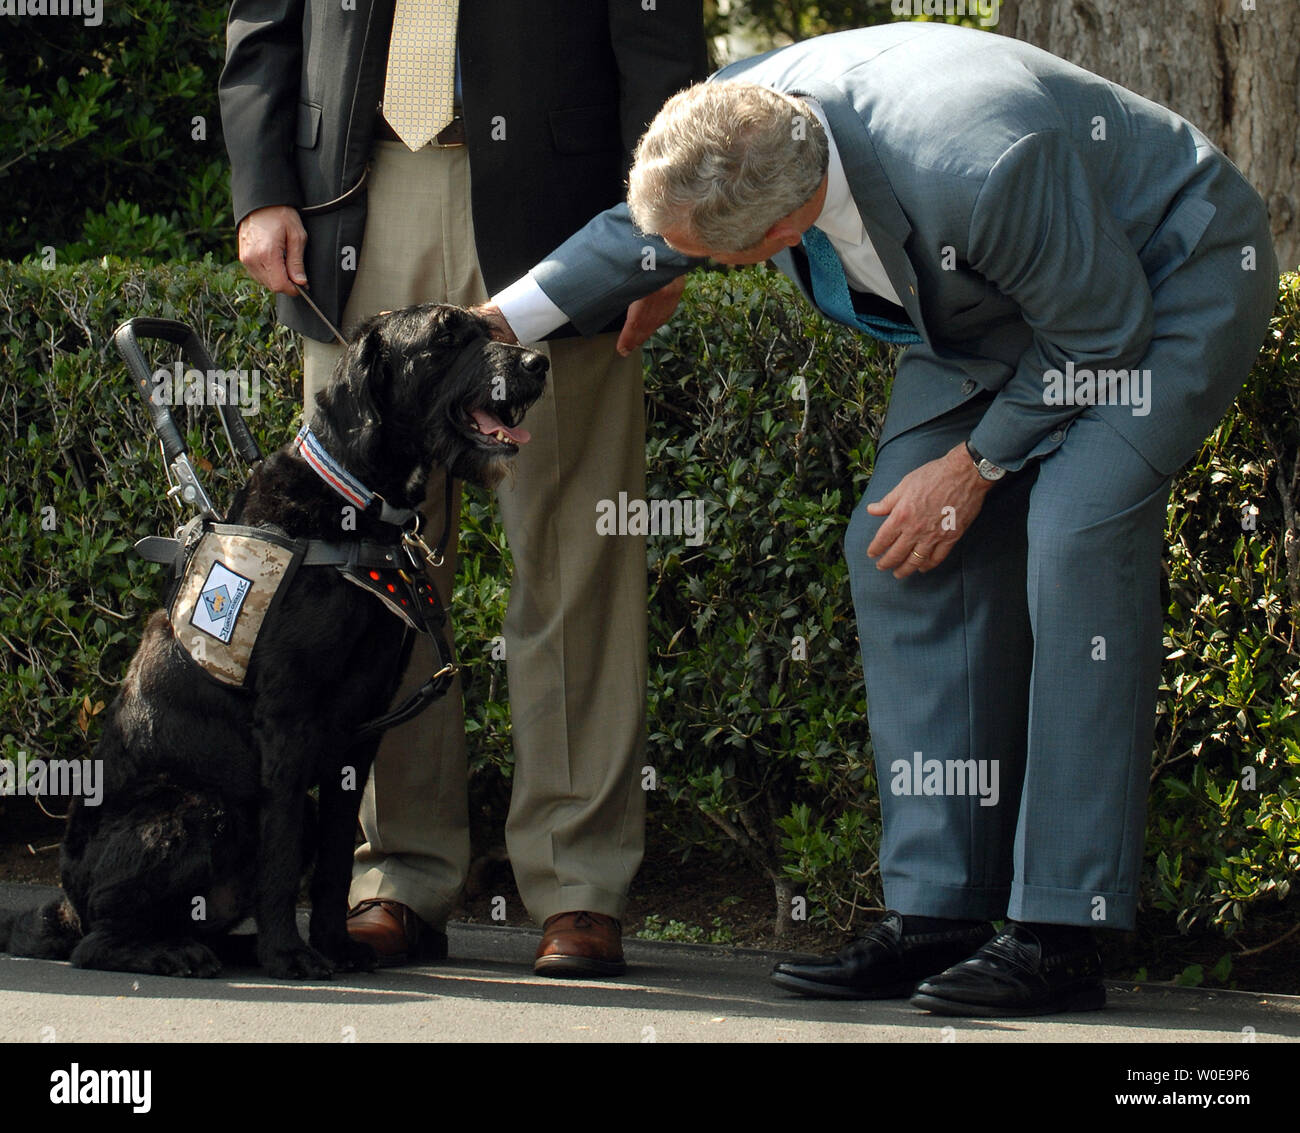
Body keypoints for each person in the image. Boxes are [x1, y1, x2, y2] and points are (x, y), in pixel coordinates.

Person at [481, 21, 1279, 1013]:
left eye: (688, 258)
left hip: (1161, 286)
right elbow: (630, 232)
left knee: (1070, 531)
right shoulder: (741, 116)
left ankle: (1063, 932)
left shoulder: (978, 164)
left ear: (777, 236)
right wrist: (479, 331)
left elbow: (1100, 331)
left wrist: (974, 464)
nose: (666, 261)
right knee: (894, 549)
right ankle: (941, 908)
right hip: (995, 312)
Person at [219, 0, 707, 976]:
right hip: (349, 204)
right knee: (367, 571)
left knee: (575, 560)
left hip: (565, 208)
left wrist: (670, 227)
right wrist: (262, 186)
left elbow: (657, 34)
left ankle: (579, 884)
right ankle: (392, 875)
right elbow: (262, 21)